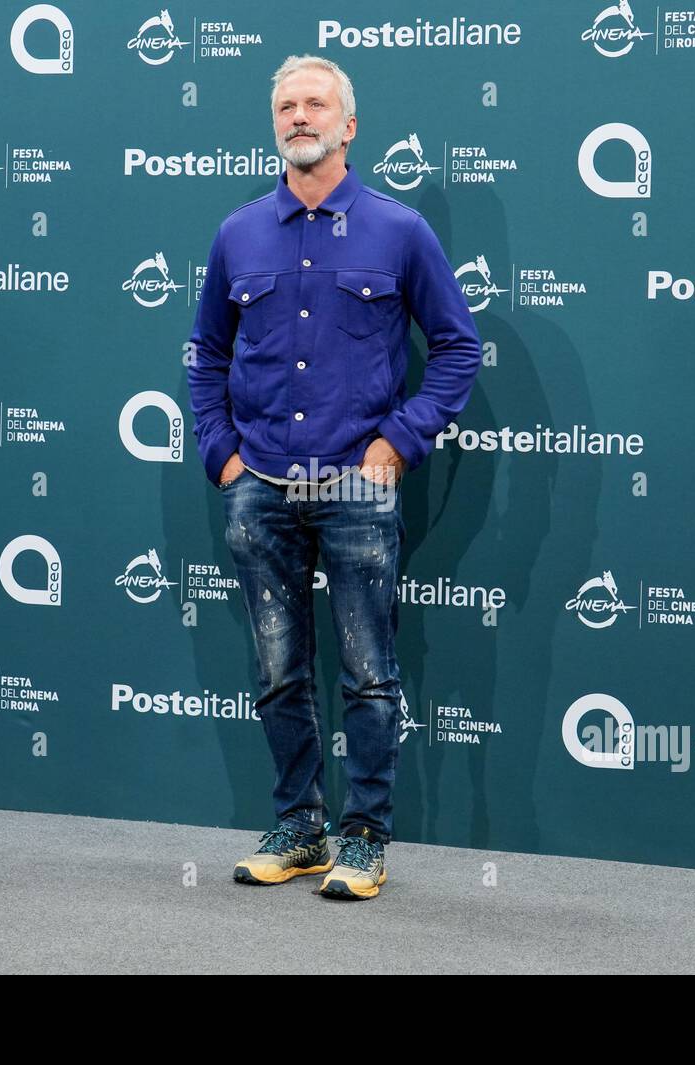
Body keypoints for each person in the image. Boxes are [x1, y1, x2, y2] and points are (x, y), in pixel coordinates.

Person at [186, 54, 480, 900]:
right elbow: (206, 354)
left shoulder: (399, 230)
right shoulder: (238, 233)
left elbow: (458, 348)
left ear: (348, 125)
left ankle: (365, 837)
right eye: (286, 106)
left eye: (316, 104)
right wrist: (223, 456)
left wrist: (400, 442)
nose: (299, 117)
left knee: (368, 670)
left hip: (358, 482)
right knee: (278, 669)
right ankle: (301, 825)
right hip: (261, 485)